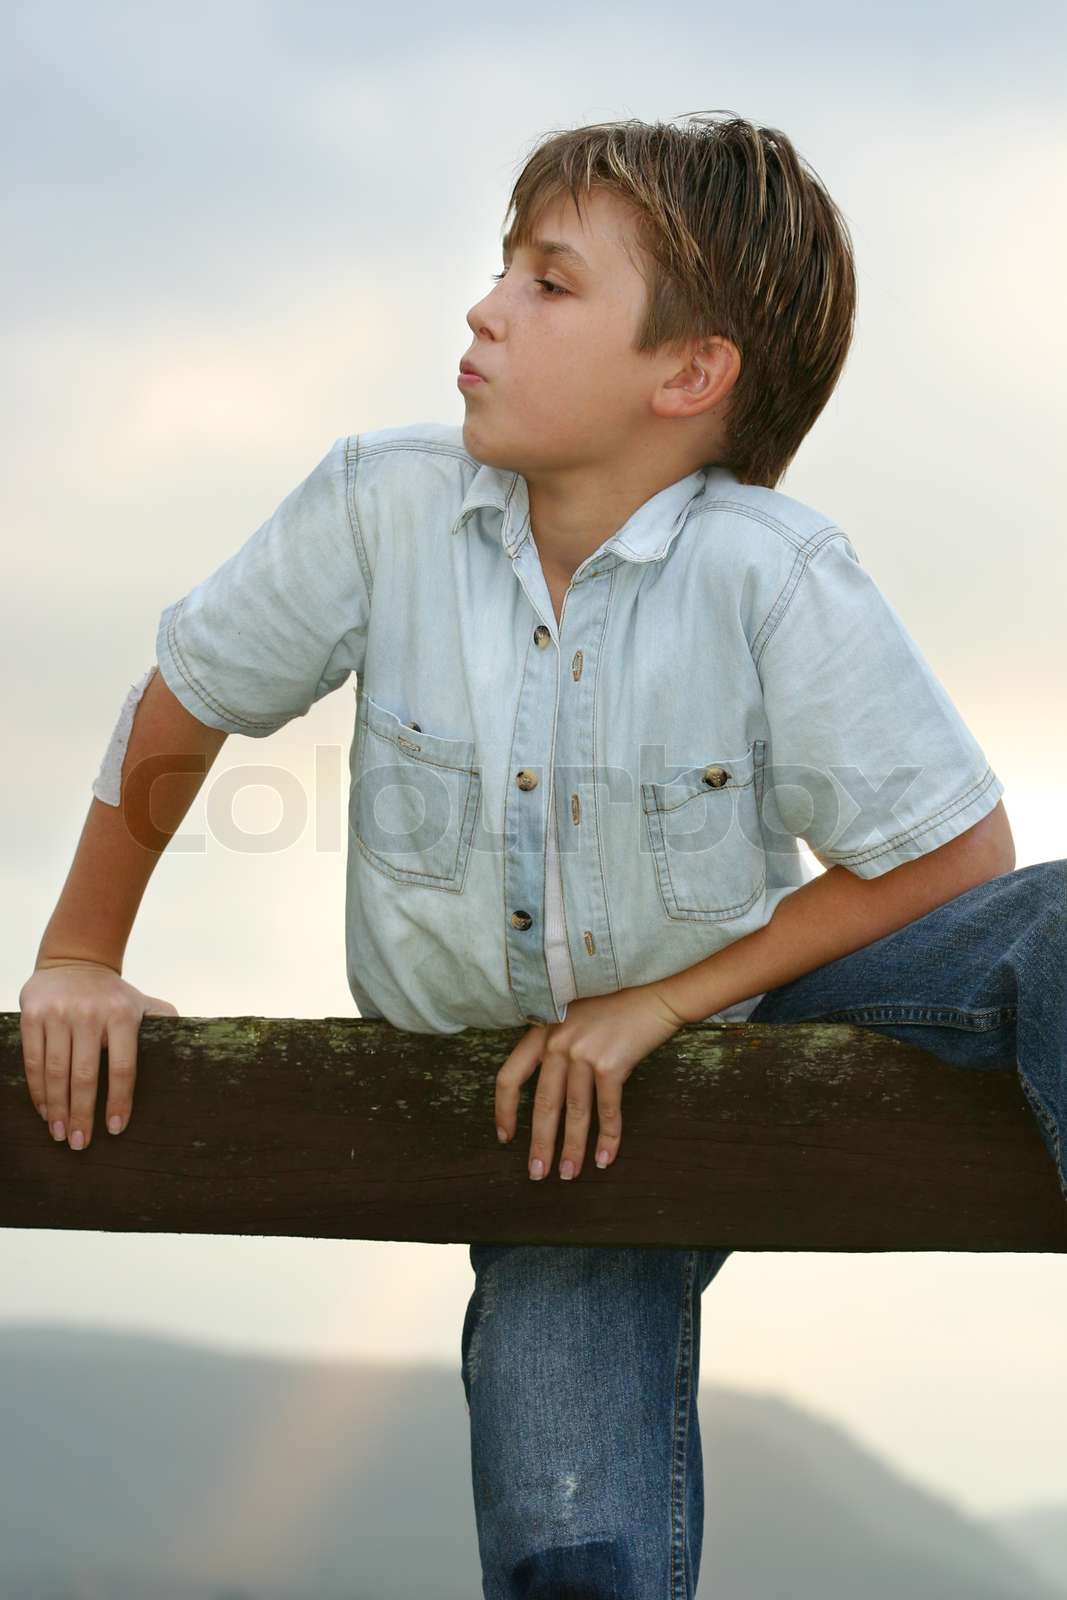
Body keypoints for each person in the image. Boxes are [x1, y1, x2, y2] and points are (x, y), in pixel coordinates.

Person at [18, 112, 1064, 1597]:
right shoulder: (382, 508)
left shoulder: (771, 573)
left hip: (741, 1029)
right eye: (501, 269)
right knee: (578, 1552)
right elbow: (184, 705)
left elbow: (960, 855)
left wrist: (665, 1003)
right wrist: (78, 955)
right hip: (552, 1126)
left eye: (550, 285)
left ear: (689, 376)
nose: (485, 307)